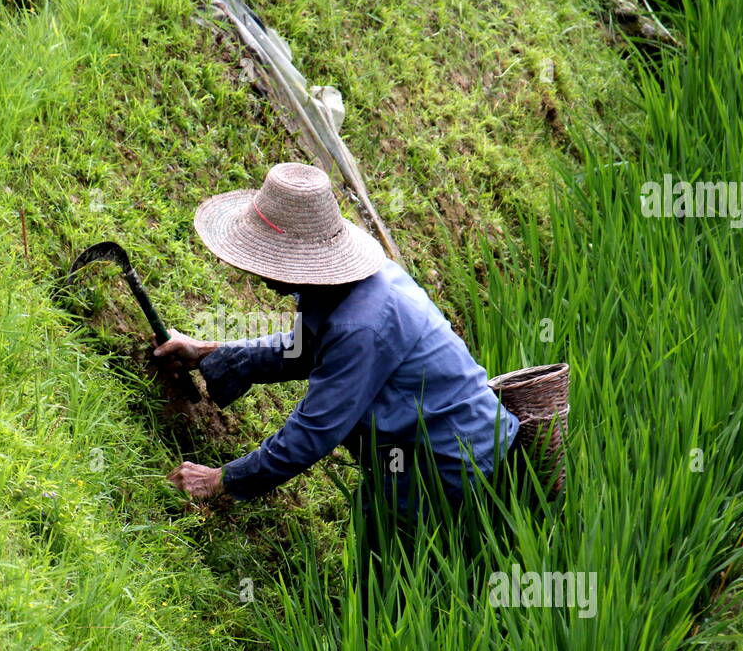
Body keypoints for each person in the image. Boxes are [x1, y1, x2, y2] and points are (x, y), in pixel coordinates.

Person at [156, 161, 520, 581]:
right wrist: (214, 354)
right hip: (428, 454)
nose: (253, 269)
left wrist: (223, 480)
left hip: (446, 467)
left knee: (397, 587)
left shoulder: (359, 323)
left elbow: (314, 431)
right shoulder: (346, 289)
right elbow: (306, 349)